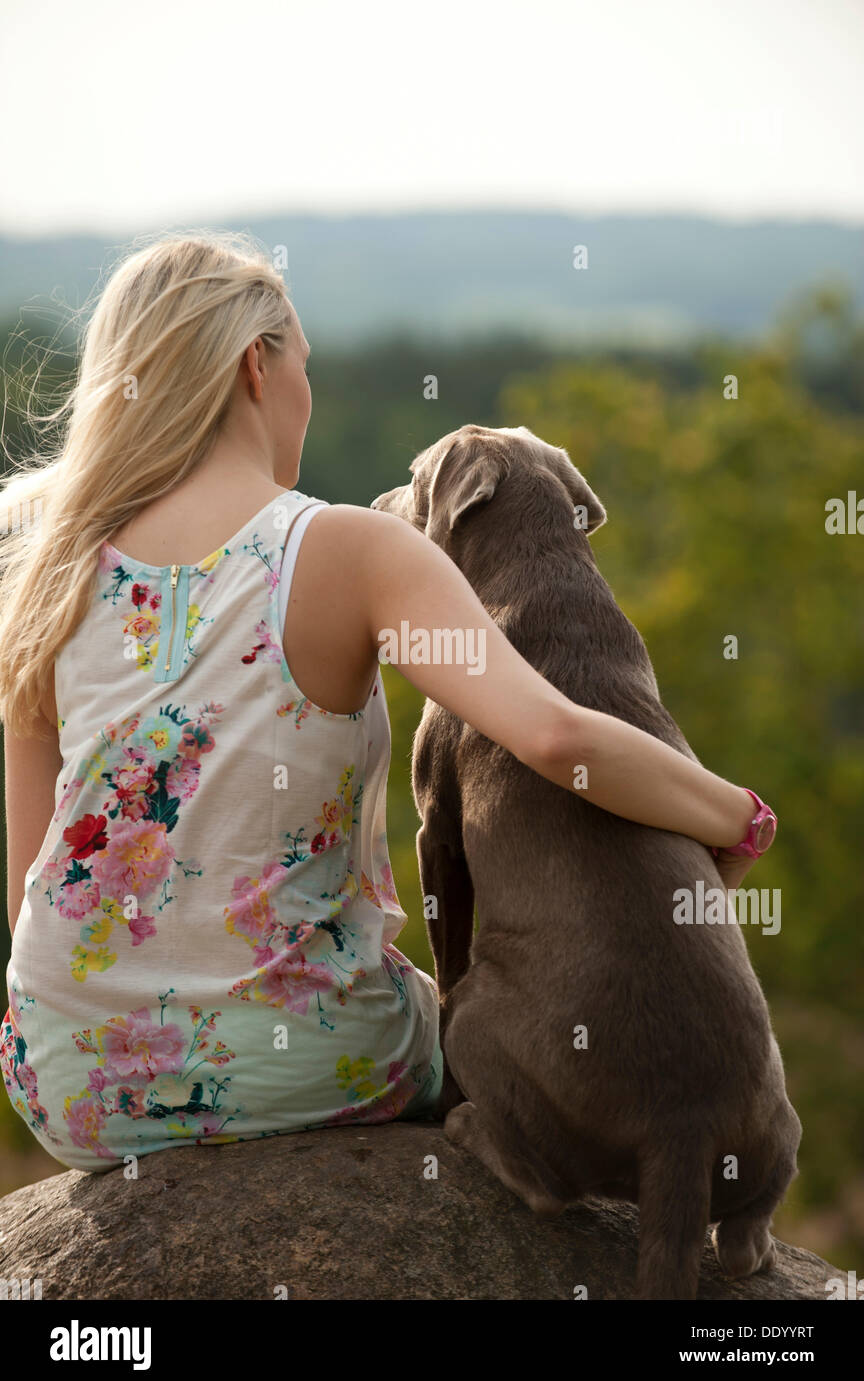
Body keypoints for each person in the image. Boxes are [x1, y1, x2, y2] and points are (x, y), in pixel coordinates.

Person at [0, 231, 767, 1173]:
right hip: (311, 1058)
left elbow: (32, 882)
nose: (308, 398)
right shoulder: (352, 549)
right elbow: (555, 734)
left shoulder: (46, 561)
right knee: (491, 1028)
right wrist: (737, 816)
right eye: (304, 367)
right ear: (255, 365)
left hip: (66, 1080)